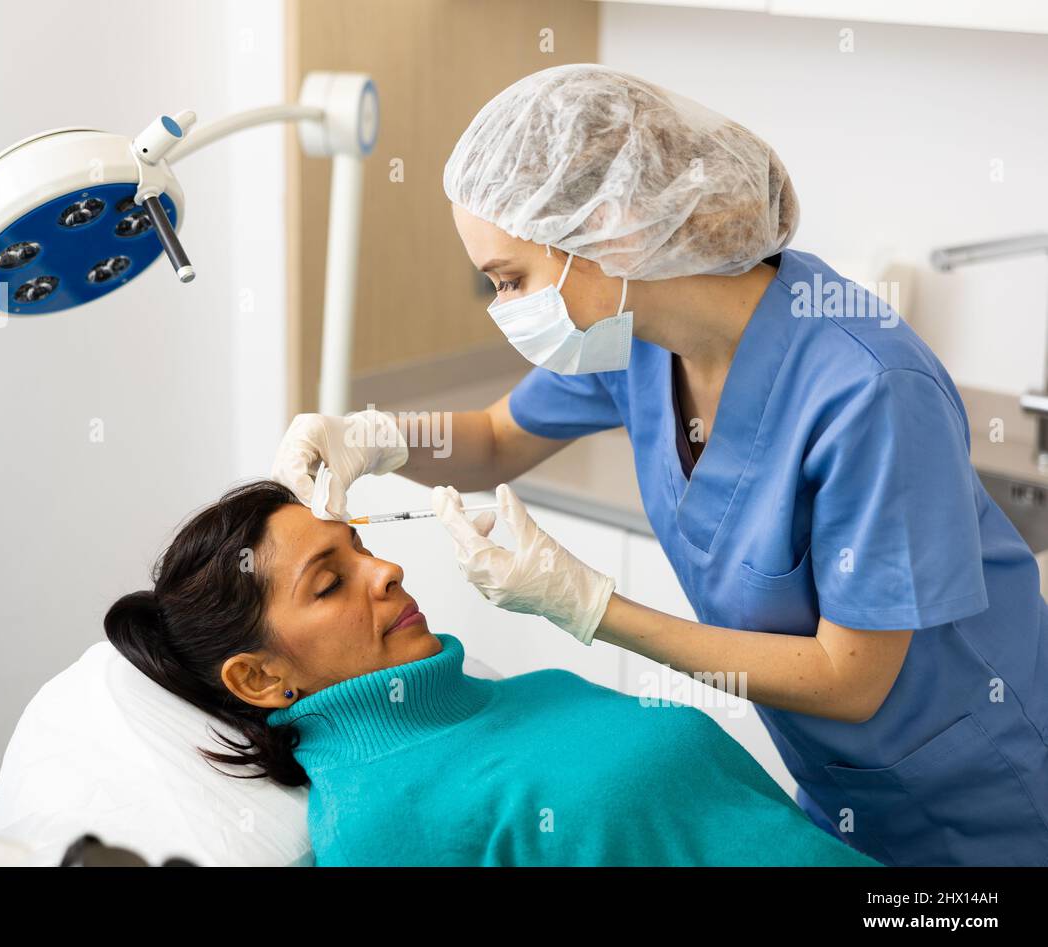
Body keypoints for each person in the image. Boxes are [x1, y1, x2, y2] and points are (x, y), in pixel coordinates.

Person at [270, 64, 1048, 866]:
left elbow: (851, 679)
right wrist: (379, 438)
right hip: (839, 788)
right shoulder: (635, 335)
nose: (504, 309)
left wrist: (590, 608)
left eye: (512, 279)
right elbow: (501, 439)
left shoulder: (868, 392)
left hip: (986, 796)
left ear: (611, 232)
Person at [103, 479, 878, 866]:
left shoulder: (530, 693)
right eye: (330, 582)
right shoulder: (376, 820)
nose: (387, 571)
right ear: (261, 680)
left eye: (361, 546)